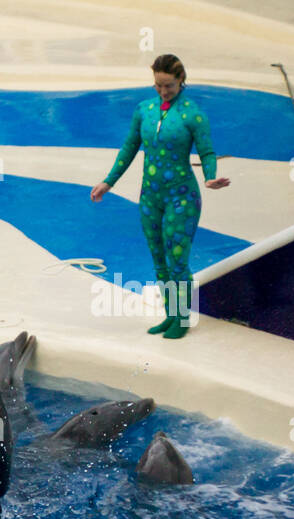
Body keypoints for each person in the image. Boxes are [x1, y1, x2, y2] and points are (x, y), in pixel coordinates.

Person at [91, 54, 229, 339]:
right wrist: (109, 182)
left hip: (182, 199)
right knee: (160, 261)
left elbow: (206, 151)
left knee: (178, 261)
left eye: (169, 85)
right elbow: (129, 147)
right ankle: (170, 314)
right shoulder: (144, 110)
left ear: (181, 80)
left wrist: (210, 176)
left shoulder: (193, 114)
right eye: (158, 85)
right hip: (151, 198)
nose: (163, 91)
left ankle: (183, 317)